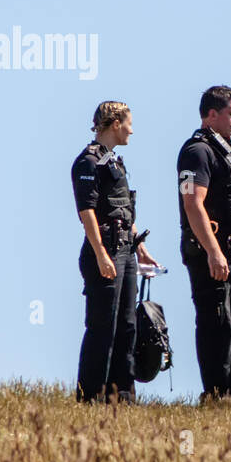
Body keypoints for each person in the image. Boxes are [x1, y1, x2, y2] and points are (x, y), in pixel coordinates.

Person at [71, 101, 159, 403]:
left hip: (125, 249)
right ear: (115, 123)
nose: (132, 130)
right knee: (101, 326)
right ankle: (90, 397)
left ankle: (121, 395)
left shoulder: (115, 161)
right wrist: (100, 255)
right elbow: (88, 213)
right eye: (129, 123)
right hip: (104, 249)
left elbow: (124, 212)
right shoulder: (88, 162)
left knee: (127, 325)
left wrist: (140, 248)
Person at [177, 85, 231, 401]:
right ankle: (214, 394)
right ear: (212, 114)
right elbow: (192, 203)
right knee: (217, 321)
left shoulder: (229, 150)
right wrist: (213, 251)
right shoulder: (196, 151)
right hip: (209, 250)